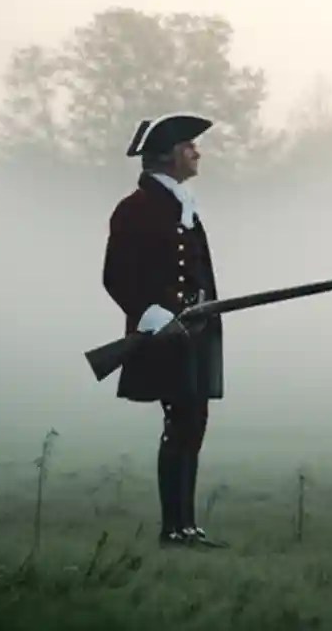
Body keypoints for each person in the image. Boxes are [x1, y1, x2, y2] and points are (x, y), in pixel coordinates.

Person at [101, 112, 227, 549]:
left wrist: (206, 312)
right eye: (190, 146)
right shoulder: (135, 208)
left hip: (194, 333)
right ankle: (173, 529)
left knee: (193, 424)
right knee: (179, 426)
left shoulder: (182, 205)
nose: (197, 153)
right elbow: (117, 276)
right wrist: (153, 317)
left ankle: (186, 526)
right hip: (163, 335)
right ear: (172, 155)